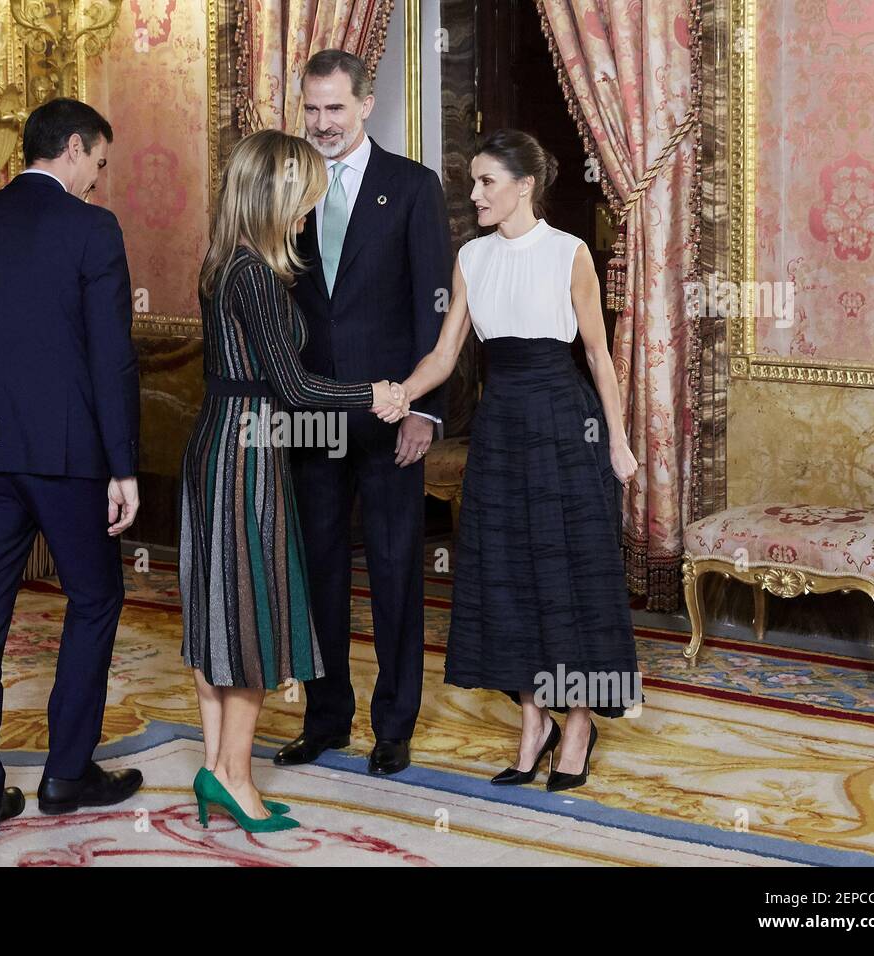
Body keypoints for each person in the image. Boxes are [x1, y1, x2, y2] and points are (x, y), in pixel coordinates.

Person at [0, 98, 144, 838]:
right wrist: (124, 466)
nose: (98, 182)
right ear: (74, 149)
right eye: (99, 165)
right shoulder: (92, 230)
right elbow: (111, 359)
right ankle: (65, 773)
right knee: (94, 598)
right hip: (68, 458)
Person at [398, 128, 641, 792]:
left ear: (524, 186)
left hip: (566, 423)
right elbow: (446, 355)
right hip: (501, 426)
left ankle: (581, 721)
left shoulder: (570, 252)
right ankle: (534, 721)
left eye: (486, 182)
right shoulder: (472, 258)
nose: (473, 194)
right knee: (507, 573)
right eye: (472, 181)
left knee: (571, 573)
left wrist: (617, 442)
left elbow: (597, 355)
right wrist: (399, 393)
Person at [179, 128, 408, 832]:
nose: (308, 216)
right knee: (250, 622)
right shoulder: (252, 273)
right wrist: (374, 393)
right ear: (274, 196)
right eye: (303, 202)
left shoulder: (225, 262)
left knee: (217, 615)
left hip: (224, 441)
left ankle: (217, 767)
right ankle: (238, 781)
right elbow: (294, 387)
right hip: (246, 454)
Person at [274, 49, 451, 777]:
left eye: (335, 108)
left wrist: (423, 409)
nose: (321, 123)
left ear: (365, 105)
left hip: (390, 416)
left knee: (394, 572)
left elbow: (433, 309)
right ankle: (325, 718)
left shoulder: (412, 187)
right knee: (316, 571)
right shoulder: (287, 187)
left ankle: (394, 725)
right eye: (311, 109)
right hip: (310, 416)